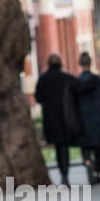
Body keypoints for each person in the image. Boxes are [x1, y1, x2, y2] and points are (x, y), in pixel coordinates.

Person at [34, 54, 78, 185]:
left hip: (50, 118)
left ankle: (62, 173)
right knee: (64, 147)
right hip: (65, 117)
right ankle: (65, 174)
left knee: (58, 147)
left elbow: (38, 97)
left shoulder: (43, 79)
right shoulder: (65, 78)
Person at [72, 51, 100, 184]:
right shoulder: (98, 81)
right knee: (99, 146)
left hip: (82, 118)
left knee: (85, 147)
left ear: (79, 63)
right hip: (98, 116)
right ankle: (97, 171)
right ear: (90, 62)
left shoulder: (76, 82)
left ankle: (88, 165)